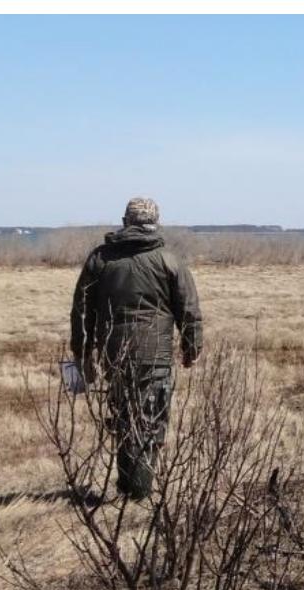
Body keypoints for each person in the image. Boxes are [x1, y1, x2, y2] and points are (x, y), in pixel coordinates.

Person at [70, 197, 203, 500]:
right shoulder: (169, 259)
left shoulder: (100, 258)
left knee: (123, 416)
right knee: (151, 418)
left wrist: (82, 352)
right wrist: (191, 347)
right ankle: (140, 493)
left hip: (113, 354)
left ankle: (126, 486)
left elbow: (80, 310)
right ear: (155, 222)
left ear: (125, 221)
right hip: (155, 355)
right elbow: (189, 308)